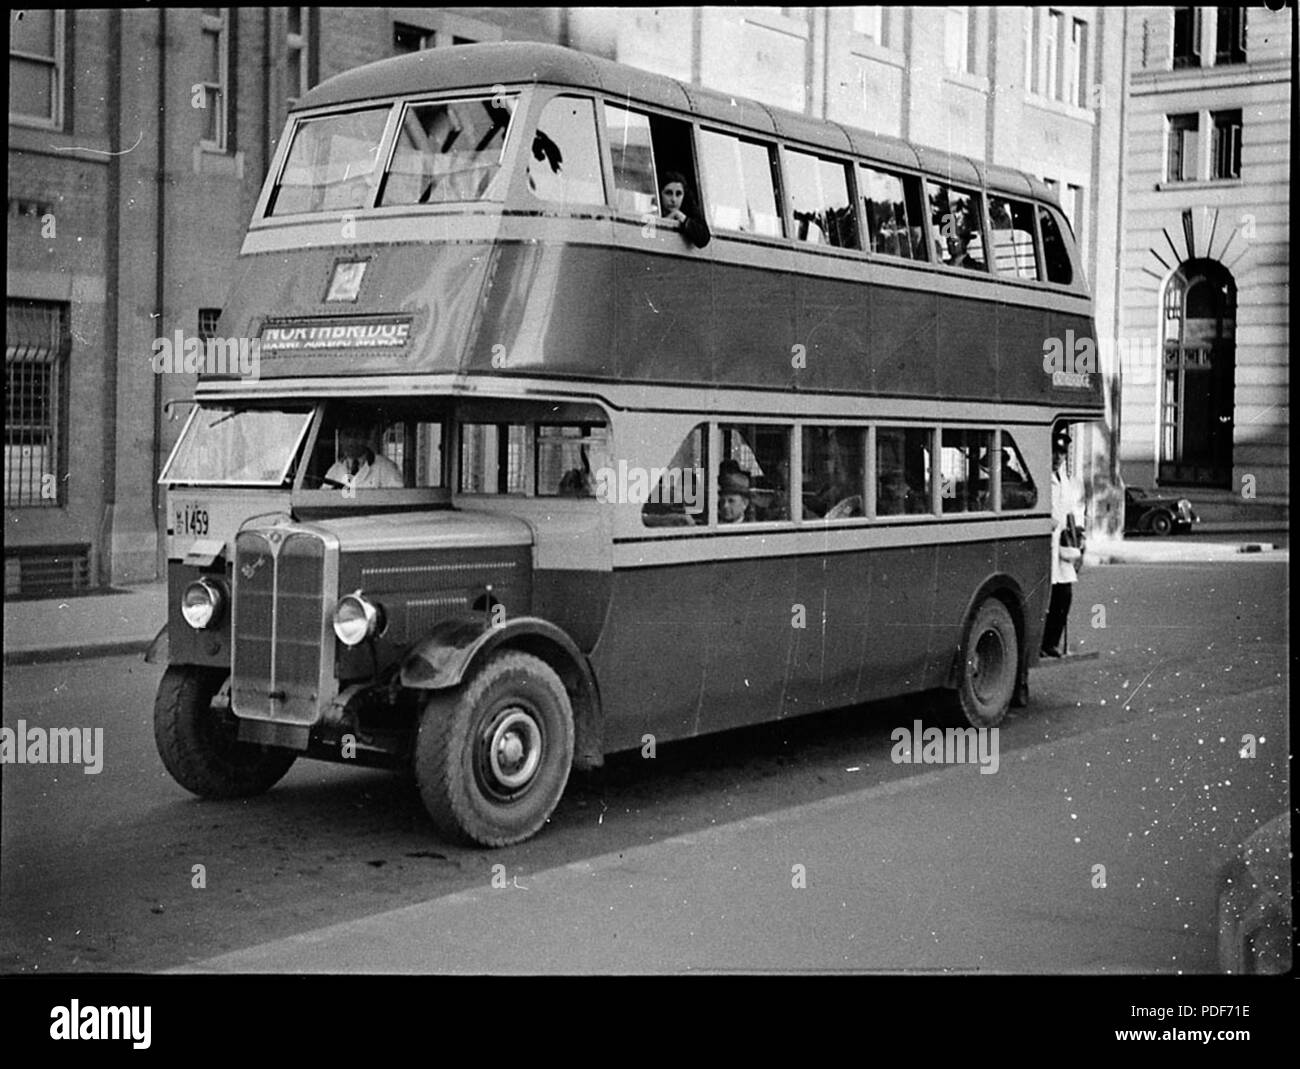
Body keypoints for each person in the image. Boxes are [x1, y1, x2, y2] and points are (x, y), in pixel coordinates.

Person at [1041, 426, 1085, 657]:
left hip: (1062, 545)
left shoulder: (1066, 480)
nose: (1058, 458)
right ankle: (1040, 642)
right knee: (1043, 597)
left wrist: (1080, 533)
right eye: (1054, 453)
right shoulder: (1040, 477)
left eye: (1062, 453)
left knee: (1064, 595)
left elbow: (1073, 510)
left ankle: (1051, 642)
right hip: (1044, 543)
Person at [325, 425, 404, 489]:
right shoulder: (335, 470)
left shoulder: (385, 467)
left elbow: (398, 497)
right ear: (340, 439)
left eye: (357, 435)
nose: (352, 441)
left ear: (367, 439)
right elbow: (324, 498)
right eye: (347, 435)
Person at [658, 171, 711, 248]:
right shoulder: (651, 214)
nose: (673, 199)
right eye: (668, 193)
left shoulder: (684, 216)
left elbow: (703, 238)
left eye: (678, 194)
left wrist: (680, 216)